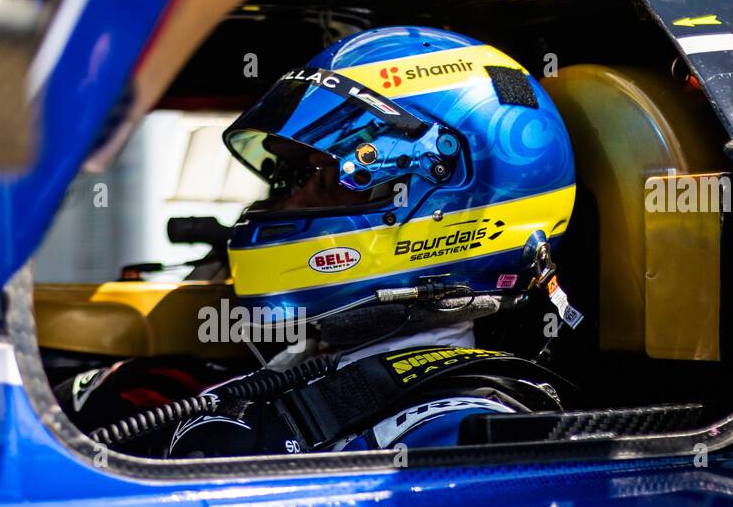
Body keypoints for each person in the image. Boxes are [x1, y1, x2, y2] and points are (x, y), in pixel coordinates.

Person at [167, 25, 581, 457]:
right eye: (295, 181)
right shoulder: (302, 365)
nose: (292, 203)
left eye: (330, 181)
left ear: (439, 200)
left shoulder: (453, 433)